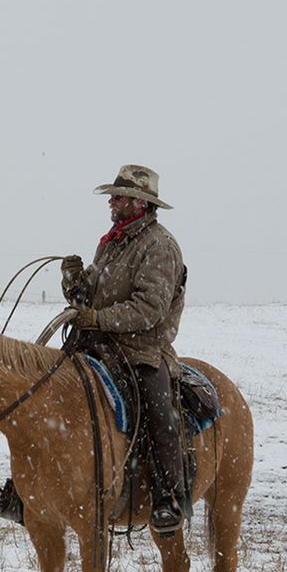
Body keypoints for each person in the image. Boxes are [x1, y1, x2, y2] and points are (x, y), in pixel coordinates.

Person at [60, 164, 188, 534]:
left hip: (143, 353)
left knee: (160, 414)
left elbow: (150, 310)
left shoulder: (161, 246)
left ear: (140, 203)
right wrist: (74, 282)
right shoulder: (111, 242)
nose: (112, 202)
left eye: (118, 196)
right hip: (97, 346)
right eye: (113, 196)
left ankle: (168, 498)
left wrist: (98, 319)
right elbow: (90, 297)